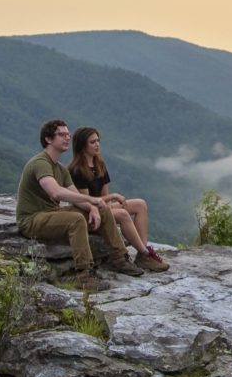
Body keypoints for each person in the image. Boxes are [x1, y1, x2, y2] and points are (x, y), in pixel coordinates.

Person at [15, 119, 143, 286]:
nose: (67, 138)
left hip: (51, 214)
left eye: (68, 134)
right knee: (76, 220)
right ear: (48, 139)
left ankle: (120, 259)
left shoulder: (60, 168)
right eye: (61, 134)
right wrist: (91, 199)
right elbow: (56, 191)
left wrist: (93, 207)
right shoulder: (41, 163)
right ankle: (84, 274)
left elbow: (75, 195)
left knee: (103, 210)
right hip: (32, 219)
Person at [69, 126, 169, 272]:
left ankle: (143, 255)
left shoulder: (99, 164)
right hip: (89, 212)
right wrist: (113, 196)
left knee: (140, 204)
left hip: (102, 207)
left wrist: (109, 203)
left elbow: (105, 197)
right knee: (123, 214)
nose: (97, 144)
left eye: (98, 141)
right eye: (92, 142)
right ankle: (144, 253)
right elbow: (87, 200)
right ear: (82, 145)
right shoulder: (77, 170)